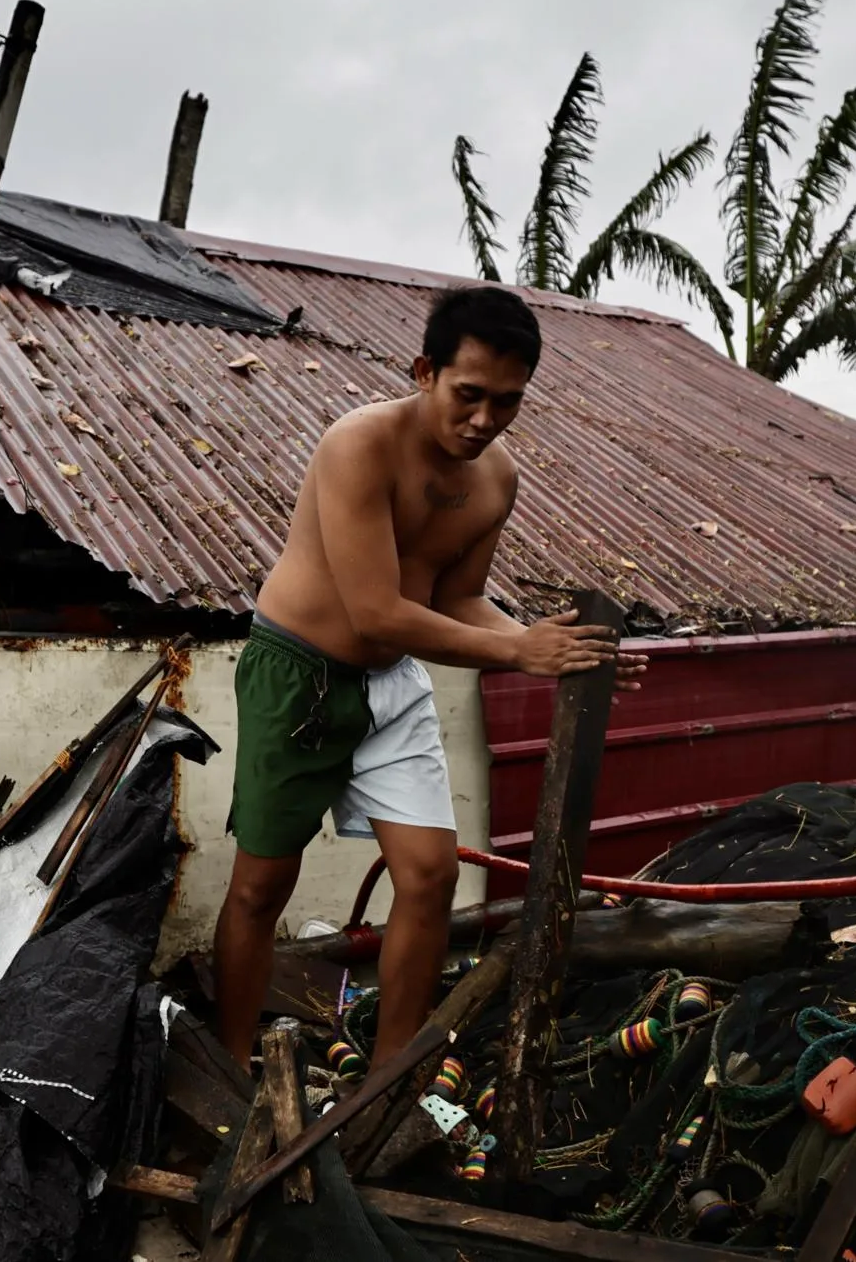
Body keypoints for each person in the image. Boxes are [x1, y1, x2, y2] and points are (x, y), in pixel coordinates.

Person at [212, 285, 647, 1065]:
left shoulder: (495, 478)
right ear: (424, 372)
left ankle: (388, 1085)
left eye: (507, 402)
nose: (484, 421)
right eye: (469, 395)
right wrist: (521, 652)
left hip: (392, 685)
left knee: (430, 875)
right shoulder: (360, 444)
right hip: (297, 676)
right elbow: (376, 610)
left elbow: (459, 600)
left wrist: (568, 649)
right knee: (259, 887)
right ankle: (231, 1064)